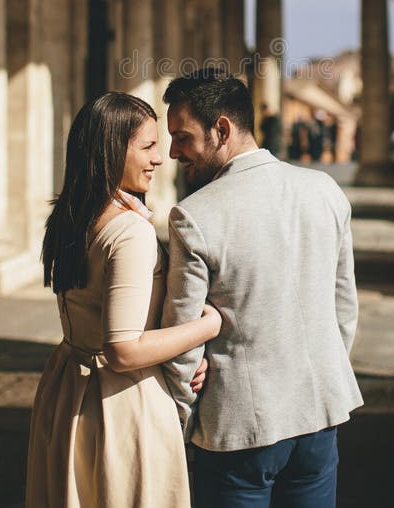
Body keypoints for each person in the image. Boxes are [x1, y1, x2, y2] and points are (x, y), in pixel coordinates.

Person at [161, 70, 363, 508]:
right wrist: (322, 371)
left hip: (238, 431)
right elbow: (344, 307)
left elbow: (182, 341)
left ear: (221, 129)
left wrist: (180, 422)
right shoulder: (325, 190)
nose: (173, 151)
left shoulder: (194, 215)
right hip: (319, 414)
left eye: (182, 137)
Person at [26, 91, 221, 508]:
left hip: (68, 388)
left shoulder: (72, 216)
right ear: (112, 149)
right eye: (148, 147)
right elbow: (123, 349)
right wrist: (207, 326)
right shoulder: (129, 232)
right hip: (120, 404)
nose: (160, 159)